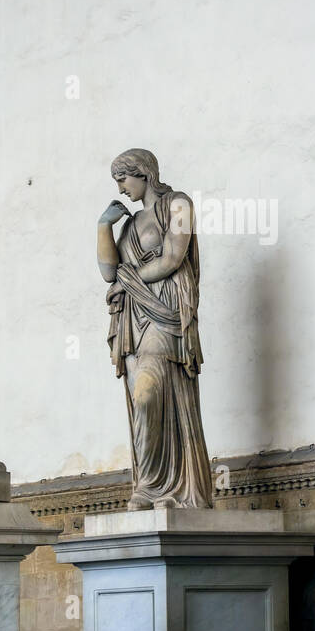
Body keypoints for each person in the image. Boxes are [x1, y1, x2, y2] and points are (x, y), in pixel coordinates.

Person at [97, 149, 213, 508]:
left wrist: (126, 283)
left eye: (123, 178)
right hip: (133, 317)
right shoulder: (130, 225)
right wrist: (104, 226)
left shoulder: (179, 205)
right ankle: (150, 487)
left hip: (165, 309)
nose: (120, 187)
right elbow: (108, 272)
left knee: (150, 393)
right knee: (141, 400)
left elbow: (173, 258)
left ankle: (171, 487)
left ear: (144, 173)